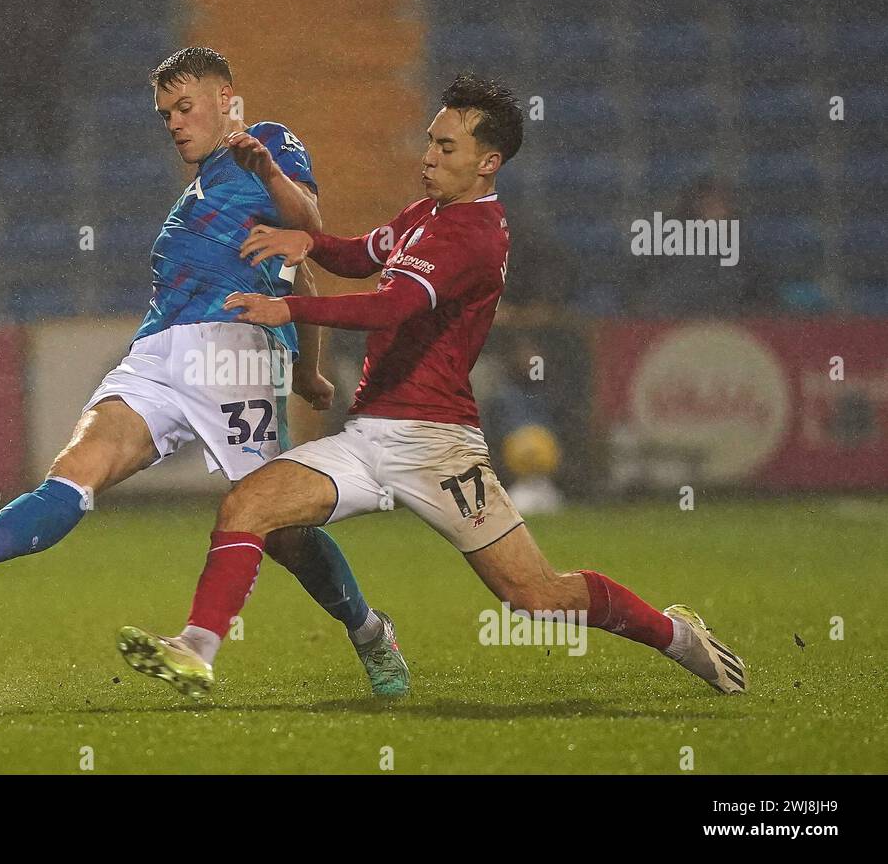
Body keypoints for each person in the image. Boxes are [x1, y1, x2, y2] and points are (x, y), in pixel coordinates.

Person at [119, 74, 748, 699]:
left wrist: (291, 310)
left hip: (436, 444)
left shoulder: (471, 235)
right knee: (247, 506)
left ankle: (676, 635)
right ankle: (196, 652)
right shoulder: (430, 212)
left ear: (487, 163)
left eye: (447, 148)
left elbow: (389, 308)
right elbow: (365, 254)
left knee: (534, 596)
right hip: (367, 436)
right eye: (430, 141)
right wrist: (306, 240)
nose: (428, 156)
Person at [0, 47, 410, 698]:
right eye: (166, 115)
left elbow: (312, 236)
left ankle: (367, 632)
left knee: (281, 529)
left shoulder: (265, 146)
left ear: (225, 97)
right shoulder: (201, 190)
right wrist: (311, 371)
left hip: (235, 346)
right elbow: (305, 269)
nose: (176, 123)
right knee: (79, 466)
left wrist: (303, 365)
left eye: (186, 107)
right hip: (158, 350)